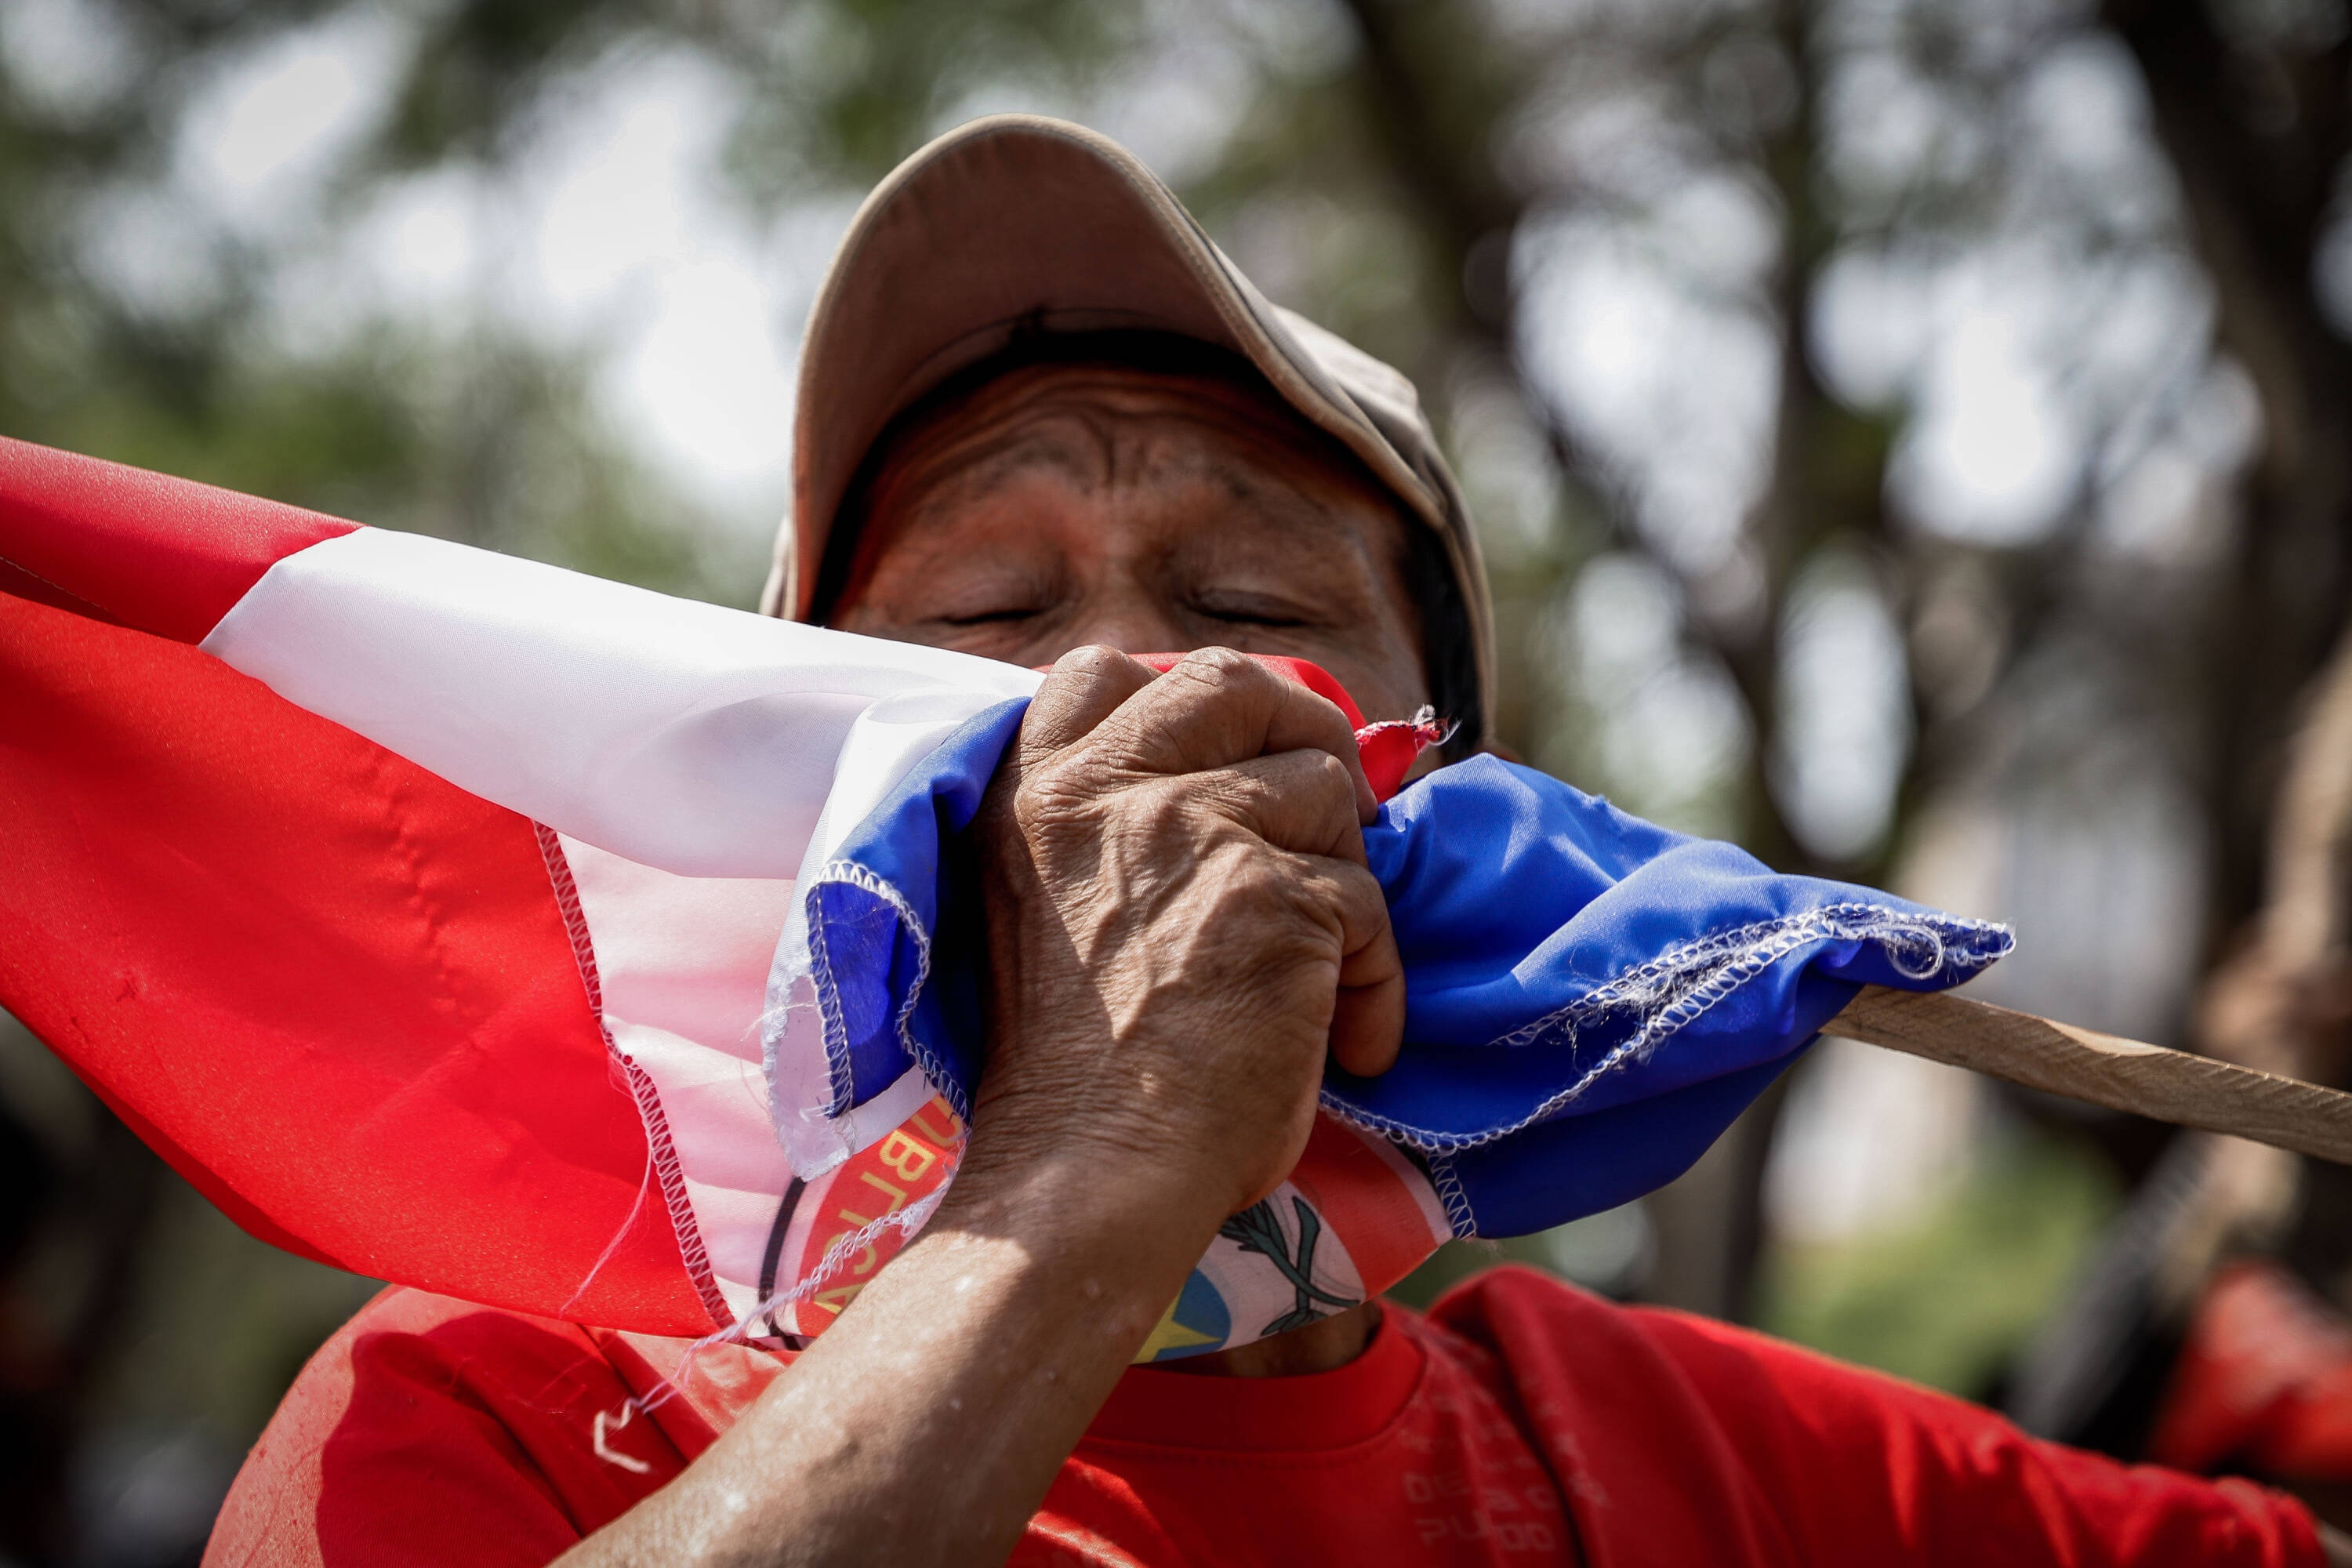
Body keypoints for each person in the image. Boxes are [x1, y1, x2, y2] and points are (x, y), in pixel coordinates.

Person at [206, 115, 2351, 1567]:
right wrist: (1081, 1188)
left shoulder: (1724, 1479)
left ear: (1451, 796)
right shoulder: (490, 1407)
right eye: (982, 619)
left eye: (1250, 612)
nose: (1136, 691)